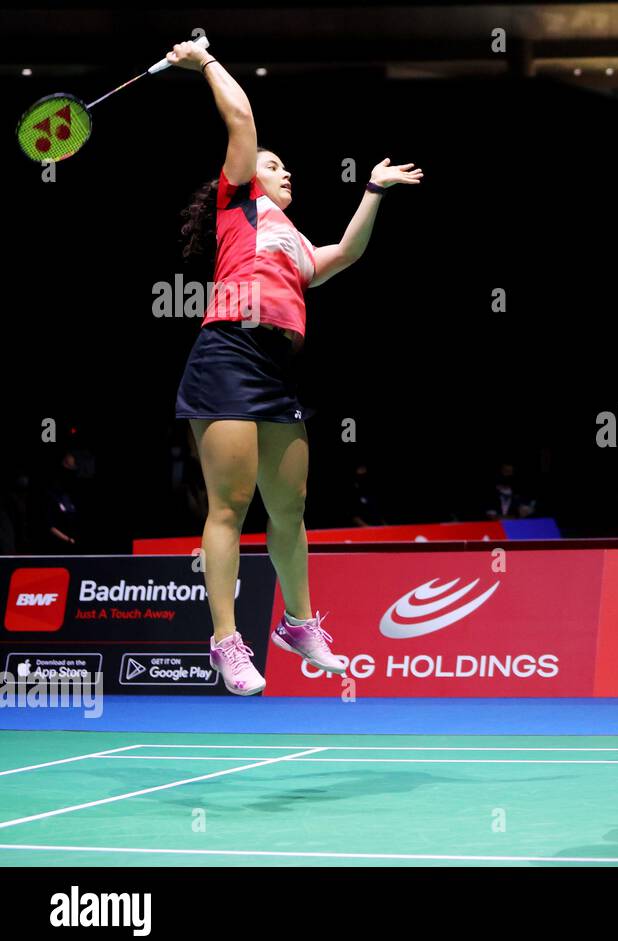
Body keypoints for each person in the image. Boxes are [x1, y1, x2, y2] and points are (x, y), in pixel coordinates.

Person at [169, 39, 422, 694]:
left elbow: (342, 255)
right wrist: (207, 63)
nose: (286, 173)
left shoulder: (293, 242)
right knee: (230, 505)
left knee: (291, 506)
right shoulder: (238, 209)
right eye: (274, 166)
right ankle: (226, 640)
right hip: (227, 351)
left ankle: (298, 623)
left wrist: (373, 190)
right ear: (249, 175)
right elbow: (243, 123)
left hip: (278, 367)